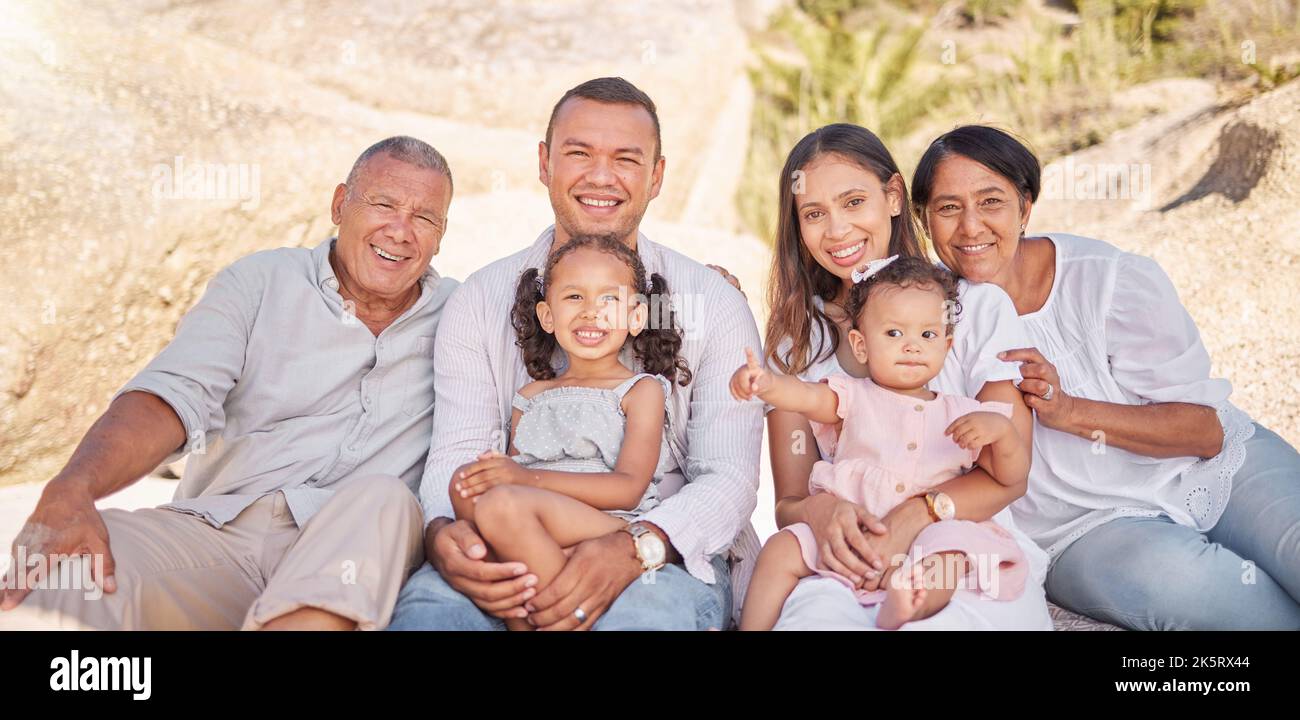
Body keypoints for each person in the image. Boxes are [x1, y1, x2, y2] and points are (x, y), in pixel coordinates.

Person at [0, 136, 459, 630]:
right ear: (338, 204)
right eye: (383, 204)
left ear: (441, 234)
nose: (400, 231)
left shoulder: (464, 315)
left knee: (383, 496)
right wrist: (75, 486)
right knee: (68, 572)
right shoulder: (259, 283)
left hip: (356, 557)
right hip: (220, 534)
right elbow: (174, 397)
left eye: (424, 218)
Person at [388, 77, 763, 631]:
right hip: (507, 536)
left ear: (657, 177)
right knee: (432, 614)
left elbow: (728, 477)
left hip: (667, 554)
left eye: (627, 159)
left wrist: (641, 546)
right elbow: (459, 452)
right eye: (578, 153)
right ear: (545, 163)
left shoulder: (712, 302)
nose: (601, 176)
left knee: (645, 620)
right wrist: (443, 532)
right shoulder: (481, 301)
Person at [911, 124, 1300, 629]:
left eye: (991, 201)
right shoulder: (924, 320)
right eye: (947, 208)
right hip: (1077, 530)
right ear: (923, 218)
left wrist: (1068, 410)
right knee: (1218, 597)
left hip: (1213, 466)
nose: (970, 227)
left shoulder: (1107, 280)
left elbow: (1205, 433)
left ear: (1025, 207)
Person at [760, 123, 1053, 630]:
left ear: (894, 196)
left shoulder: (976, 308)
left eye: (854, 202)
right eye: (814, 214)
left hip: (959, 543)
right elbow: (789, 501)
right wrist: (819, 514)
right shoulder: (796, 339)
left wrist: (915, 516)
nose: (837, 231)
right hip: (851, 552)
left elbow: (1007, 476)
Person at [734, 256, 1030, 630]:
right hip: (857, 527)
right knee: (781, 549)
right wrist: (768, 384)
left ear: (946, 344)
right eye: (894, 334)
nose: (911, 347)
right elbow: (807, 398)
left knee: (951, 555)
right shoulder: (852, 396)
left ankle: (907, 607)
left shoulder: (964, 414)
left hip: (928, 532)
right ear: (860, 345)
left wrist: (1002, 433)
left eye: (927, 335)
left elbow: (1011, 476)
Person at [448, 234, 691, 631]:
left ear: (636, 316)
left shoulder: (640, 390)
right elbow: (509, 476)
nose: (591, 313)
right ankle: (535, 601)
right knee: (463, 486)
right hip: (531, 521)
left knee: (502, 506)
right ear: (547, 316)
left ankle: (535, 622)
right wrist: (497, 476)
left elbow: (628, 486)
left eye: (609, 299)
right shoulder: (529, 396)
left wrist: (525, 480)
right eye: (574, 297)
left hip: (610, 522)